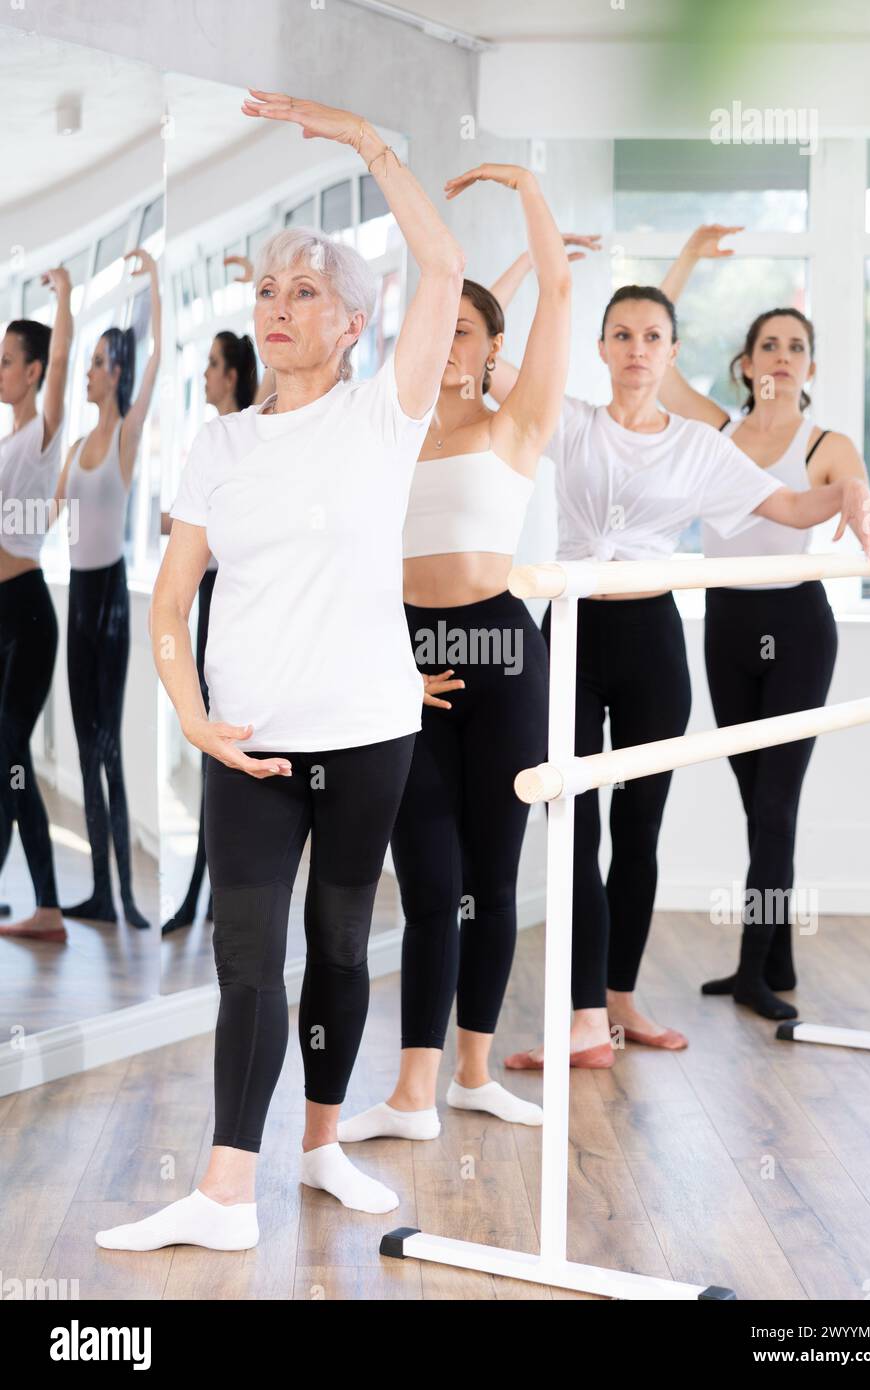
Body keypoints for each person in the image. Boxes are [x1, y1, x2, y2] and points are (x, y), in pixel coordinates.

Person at [96, 89, 465, 1253]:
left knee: (344, 947)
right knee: (249, 957)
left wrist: (370, 143)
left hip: (367, 732)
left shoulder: (382, 414)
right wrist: (194, 719)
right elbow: (166, 606)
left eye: (305, 290)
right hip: (248, 738)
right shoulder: (219, 443)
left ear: (352, 322)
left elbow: (444, 267)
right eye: (265, 288)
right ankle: (220, 1190)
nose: (278, 306)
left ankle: (320, 1145)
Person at [484, 270, 870, 1066]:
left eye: (653, 337)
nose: (638, 349)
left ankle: (621, 1001)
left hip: (652, 645)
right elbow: (483, 354)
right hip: (567, 633)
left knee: (639, 830)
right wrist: (537, 262)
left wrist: (856, 499)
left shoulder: (703, 446)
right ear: (600, 348)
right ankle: (584, 1013)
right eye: (623, 335)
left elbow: (789, 505)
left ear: (673, 353)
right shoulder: (566, 422)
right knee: (573, 822)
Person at [337, 164, 570, 1146]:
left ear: (488, 347)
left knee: (493, 874)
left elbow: (556, 292)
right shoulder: (383, 436)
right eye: (439, 329)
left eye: (467, 330)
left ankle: (472, 1070)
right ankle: (409, 1092)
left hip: (502, 651)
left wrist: (524, 188)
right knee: (428, 879)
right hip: (406, 657)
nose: (447, 345)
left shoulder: (516, 423)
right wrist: (393, 660)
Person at [657, 223, 870, 1018]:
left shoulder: (826, 442)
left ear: (809, 366)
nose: (782, 356)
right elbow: (658, 350)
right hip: (725, 630)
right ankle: (776, 958)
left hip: (799, 631)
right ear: (746, 364)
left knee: (776, 803)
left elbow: (863, 510)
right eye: (768, 344)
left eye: (796, 346)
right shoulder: (714, 436)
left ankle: (753, 970)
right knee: (758, 803)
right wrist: (685, 260)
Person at [53, 248, 161, 930]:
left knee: (108, 751)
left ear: (115, 371)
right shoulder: (73, 446)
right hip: (78, 602)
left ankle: (124, 896)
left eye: (99, 362)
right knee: (83, 743)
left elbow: (150, 366)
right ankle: (98, 889)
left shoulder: (124, 433)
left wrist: (153, 283)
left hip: (114, 603)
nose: (89, 372)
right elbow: (44, 507)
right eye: (87, 362)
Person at [161, 298, 274, 936]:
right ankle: (202, 895)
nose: (204, 376)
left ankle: (214, 893)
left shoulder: (254, 432)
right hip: (198, 599)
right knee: (211, 741)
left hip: (226, 602)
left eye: (211, 365)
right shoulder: (211, 445)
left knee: (224, 740)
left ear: (232, 375)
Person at [0, 269, 73, 942]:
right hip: (2, 611)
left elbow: (63, 357)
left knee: (10, 749)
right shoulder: (11, 441)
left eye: (5, 361)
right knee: (2, 755)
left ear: (32, 372)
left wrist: (65, 300)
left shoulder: (44, 432)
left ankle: (48, 905)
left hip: (25, 613)